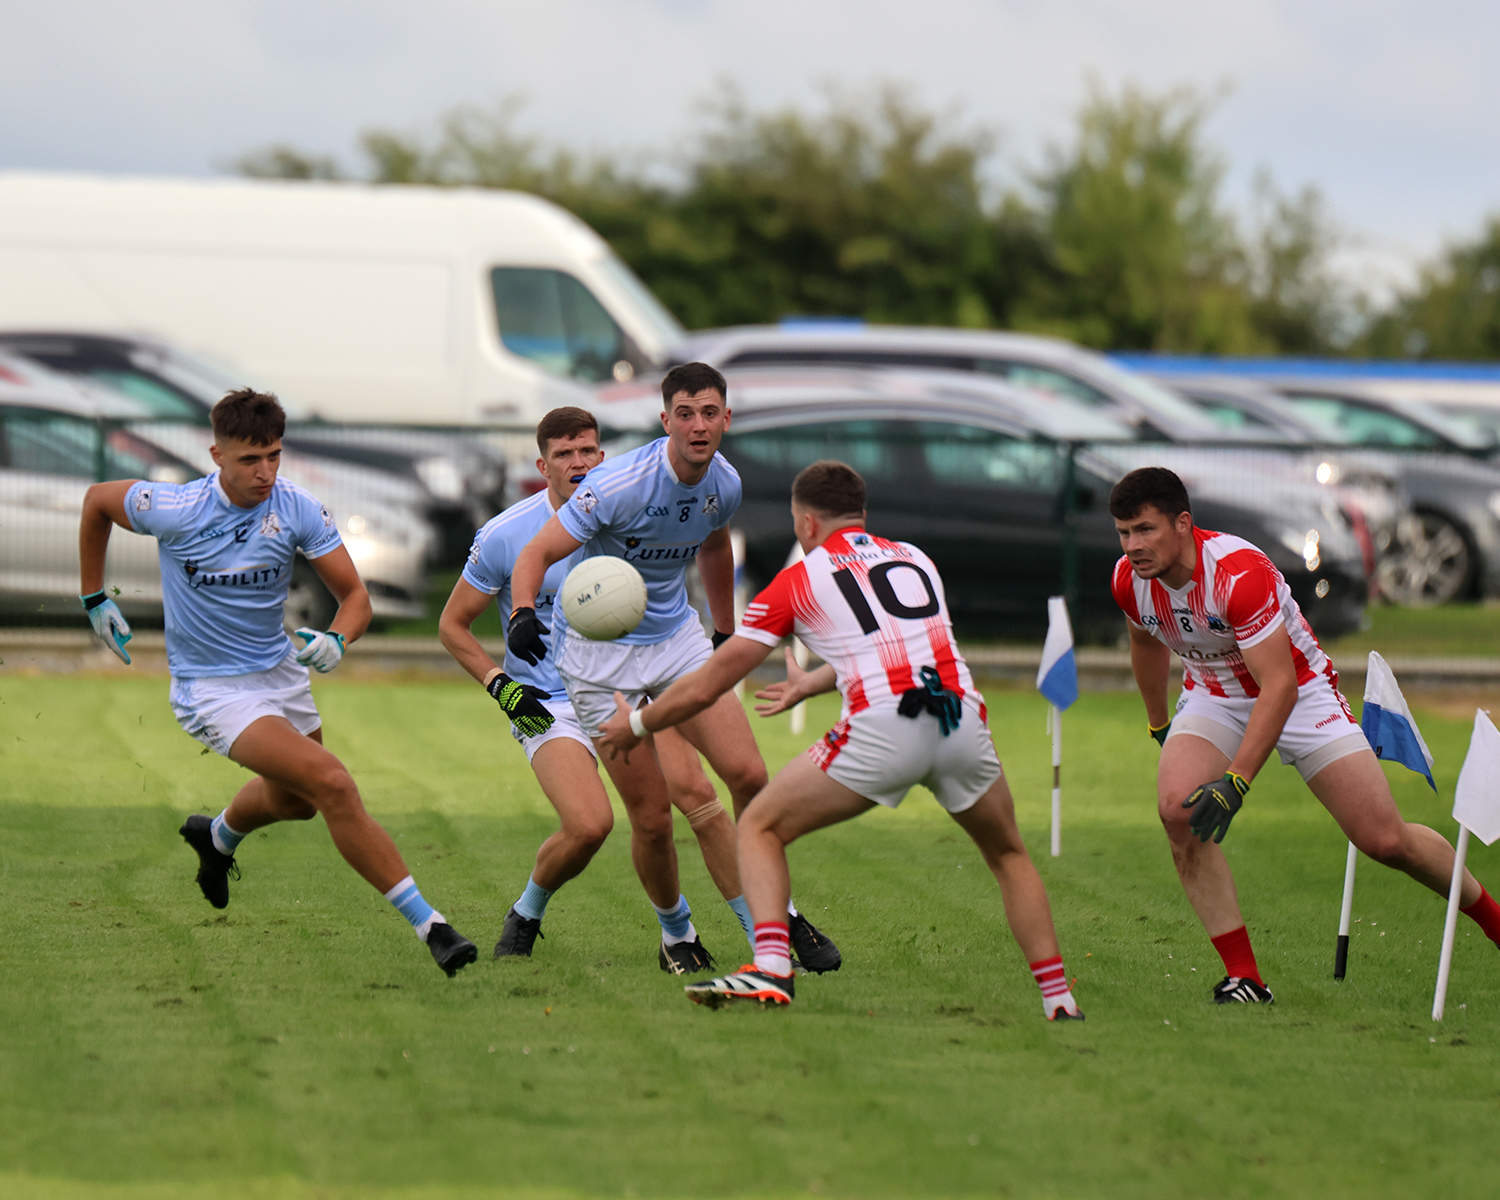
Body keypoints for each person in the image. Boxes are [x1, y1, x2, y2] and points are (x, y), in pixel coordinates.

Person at [597, 460, 1083, 1019]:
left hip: (886, 725)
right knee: (1009, 854)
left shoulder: (798, 581)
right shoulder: (915, 559)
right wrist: (814, 682)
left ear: (806, 523)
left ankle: (771, 967)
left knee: (759, 826)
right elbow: (898, 642)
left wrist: (638, 724)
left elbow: (709, 682)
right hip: (960, 720)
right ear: (862, 514)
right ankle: (1058, 998)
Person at [77, 388, 478, 977]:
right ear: (216, 455)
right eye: (249, 460)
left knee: (298, 802)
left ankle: (216, 837)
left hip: (280, 675)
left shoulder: (297, 508)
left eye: (274, 456)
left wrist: (338, 639)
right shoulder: (174, 506)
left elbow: (356, 597)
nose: (265, 472)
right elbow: (95, 501)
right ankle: (432, 925)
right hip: (210, 690)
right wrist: (94, 595)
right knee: (333, 783)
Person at [1110, 466, 1500, 1004]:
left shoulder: (1237, 574)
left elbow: (1280, 687)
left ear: (1182, 523)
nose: (1133, 546)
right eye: (1124, 533)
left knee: (1384, 840)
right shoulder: (1128, 580)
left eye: (1145, 530)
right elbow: (1146, 643)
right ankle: (1246, 978)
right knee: (1178, 812)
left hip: (1299, 692)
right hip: (1213, 694)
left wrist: (1236, 781)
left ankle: (1495, 922)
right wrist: (1160, 723)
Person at [509, 362, 841, 975]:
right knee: (653, 818)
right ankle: (675, 934)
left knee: (747, 773)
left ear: (726, 419)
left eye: (709, 413)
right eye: (685, 414)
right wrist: (522, 612)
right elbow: (537, 551)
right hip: (599, 660)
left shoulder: (725, 483)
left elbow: (713, 544)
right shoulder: (616, 485)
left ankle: (778, 917)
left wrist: (723, 632)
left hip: (676, 642)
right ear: (666, 421)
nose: (698, 426)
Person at [439, 405, 751, 960]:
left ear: (602, 457)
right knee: (589, 825)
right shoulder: (507, 534)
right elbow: (451, 625)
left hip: (631, 686)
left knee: (697, 796)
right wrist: (502, 687)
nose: (578, 463)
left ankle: (736, 932)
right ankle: (528, 909)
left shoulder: (628, 509)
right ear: (543, 466)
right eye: (564, 454)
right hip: (548, 702)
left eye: (587, 451)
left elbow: (703, 545)